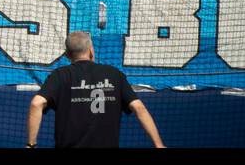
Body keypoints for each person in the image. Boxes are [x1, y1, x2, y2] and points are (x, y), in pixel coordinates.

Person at [26, 31, 165, 149]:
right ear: (91, 50)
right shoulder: (114, 74)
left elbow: (36, 104)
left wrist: (31, 145)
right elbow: (139, 107)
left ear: (67, 54)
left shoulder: (60, 75)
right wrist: (159, 145)